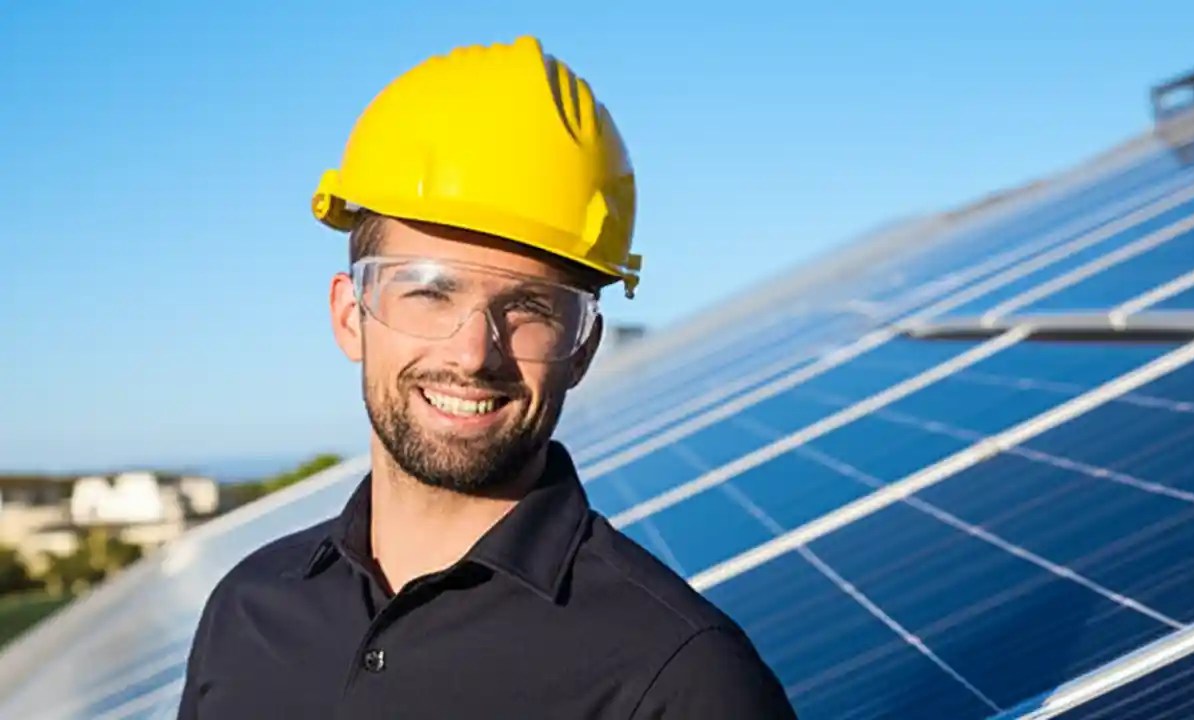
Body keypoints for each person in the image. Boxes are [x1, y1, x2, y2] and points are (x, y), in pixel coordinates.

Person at [177, 35, 797, 719]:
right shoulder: (248, 610)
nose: (475, 353)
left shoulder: (683, 682)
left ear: (584, 345)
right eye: (428, 291)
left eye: (530, 307)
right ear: (350, 316)